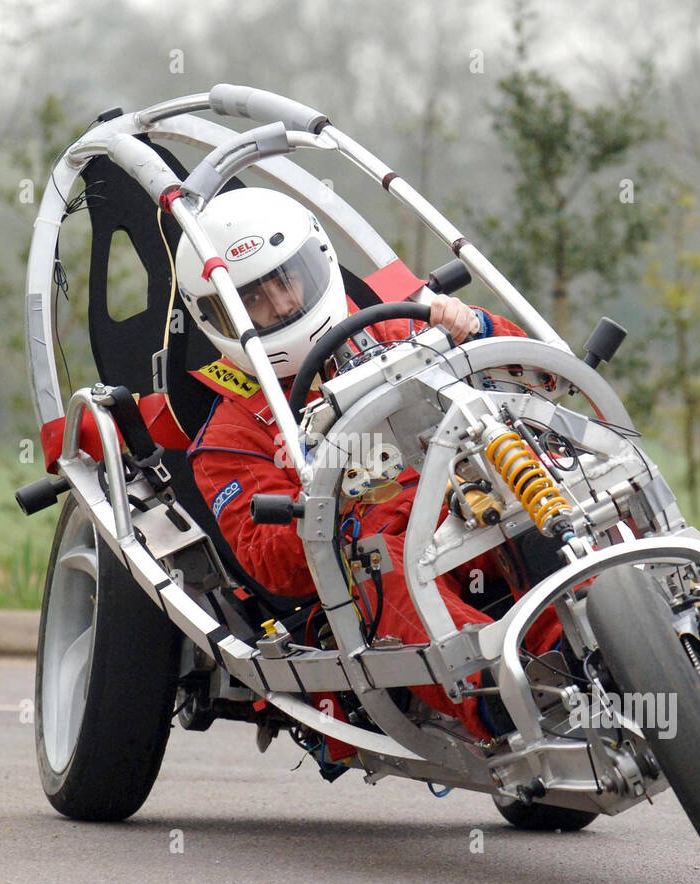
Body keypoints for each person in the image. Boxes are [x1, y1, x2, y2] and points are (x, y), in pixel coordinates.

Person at [175, 187, 562, 745]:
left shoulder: (399, 327)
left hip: (476, 507)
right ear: (217, 315)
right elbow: (268, 561)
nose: (282, 306)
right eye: (253, 299)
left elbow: (539, 375)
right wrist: (332, 515)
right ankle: (502, 690)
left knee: (541, 484)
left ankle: (607, 640)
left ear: (318, 265)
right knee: (379, 562)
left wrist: (474, 328)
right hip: (377, 555)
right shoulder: (231, 433)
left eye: (287, 280)